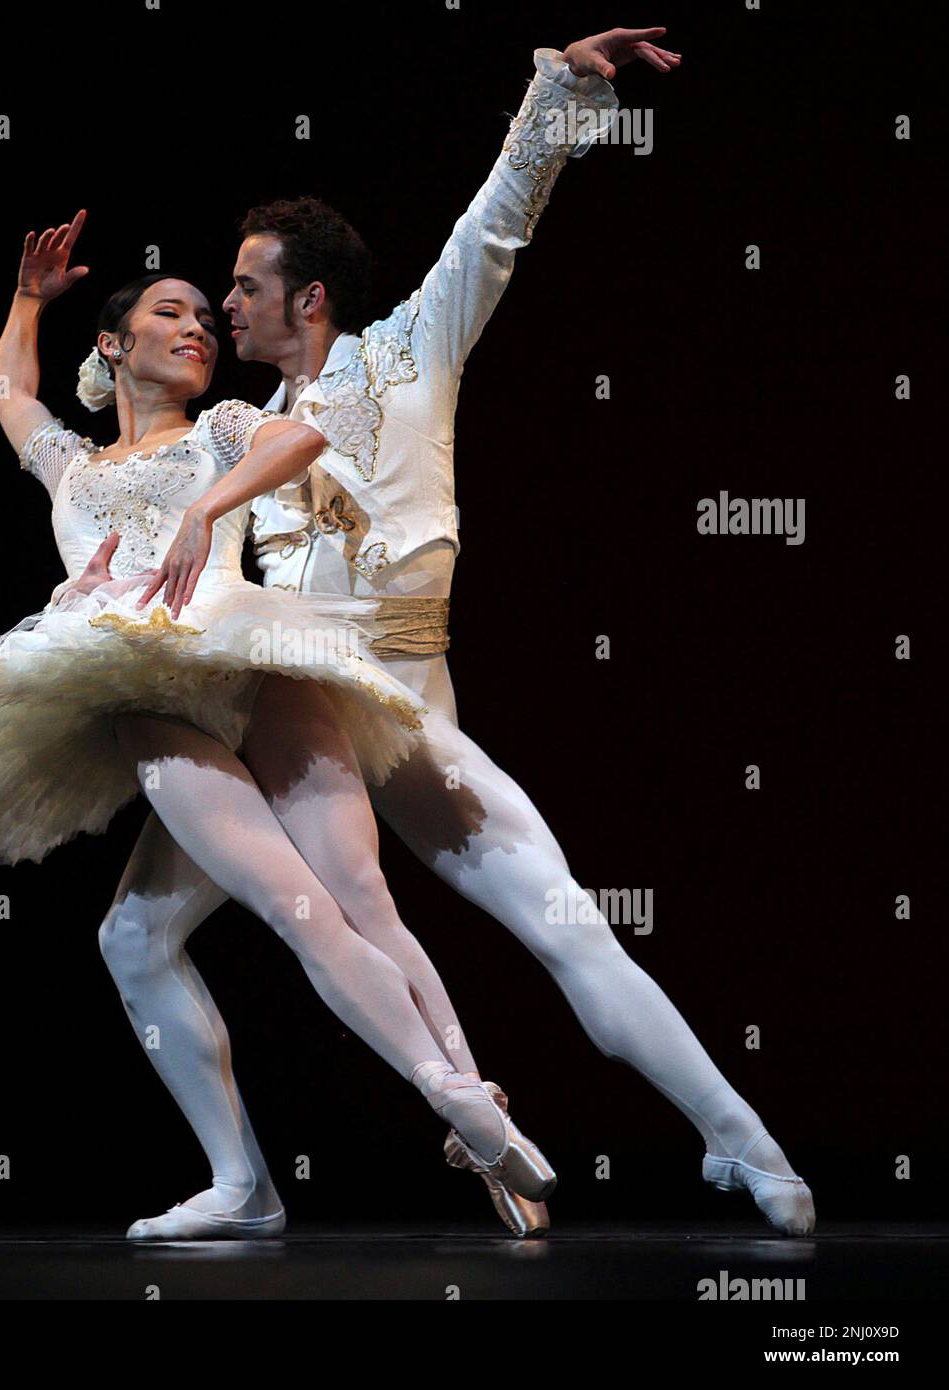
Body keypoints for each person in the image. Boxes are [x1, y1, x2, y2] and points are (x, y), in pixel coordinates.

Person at [100, 27, 817, 1240]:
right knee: (137, 932)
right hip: (289, 717)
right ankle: (249, 1181)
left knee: (563, 920)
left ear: (307, 296)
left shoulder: (408, 350)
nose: (225, 302)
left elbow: (496, 220)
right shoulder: (235, 426)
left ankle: (748, 1148)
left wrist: (564, 88)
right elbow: (127, 490)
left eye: (244, 284)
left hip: (403, 711)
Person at [0, 223, 561, 1236]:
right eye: (171, 312)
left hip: (232, 660)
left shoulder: (219, 429)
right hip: (140, 677)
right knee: (136, 933)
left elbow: (299, 438)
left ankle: (462, 1103)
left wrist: (209, 508)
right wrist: (29, 301)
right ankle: (251, 1182)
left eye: (210, 317)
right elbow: (9, 395)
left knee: (344, 899)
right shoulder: (71, 465)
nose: (200, 327)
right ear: (113, 345)